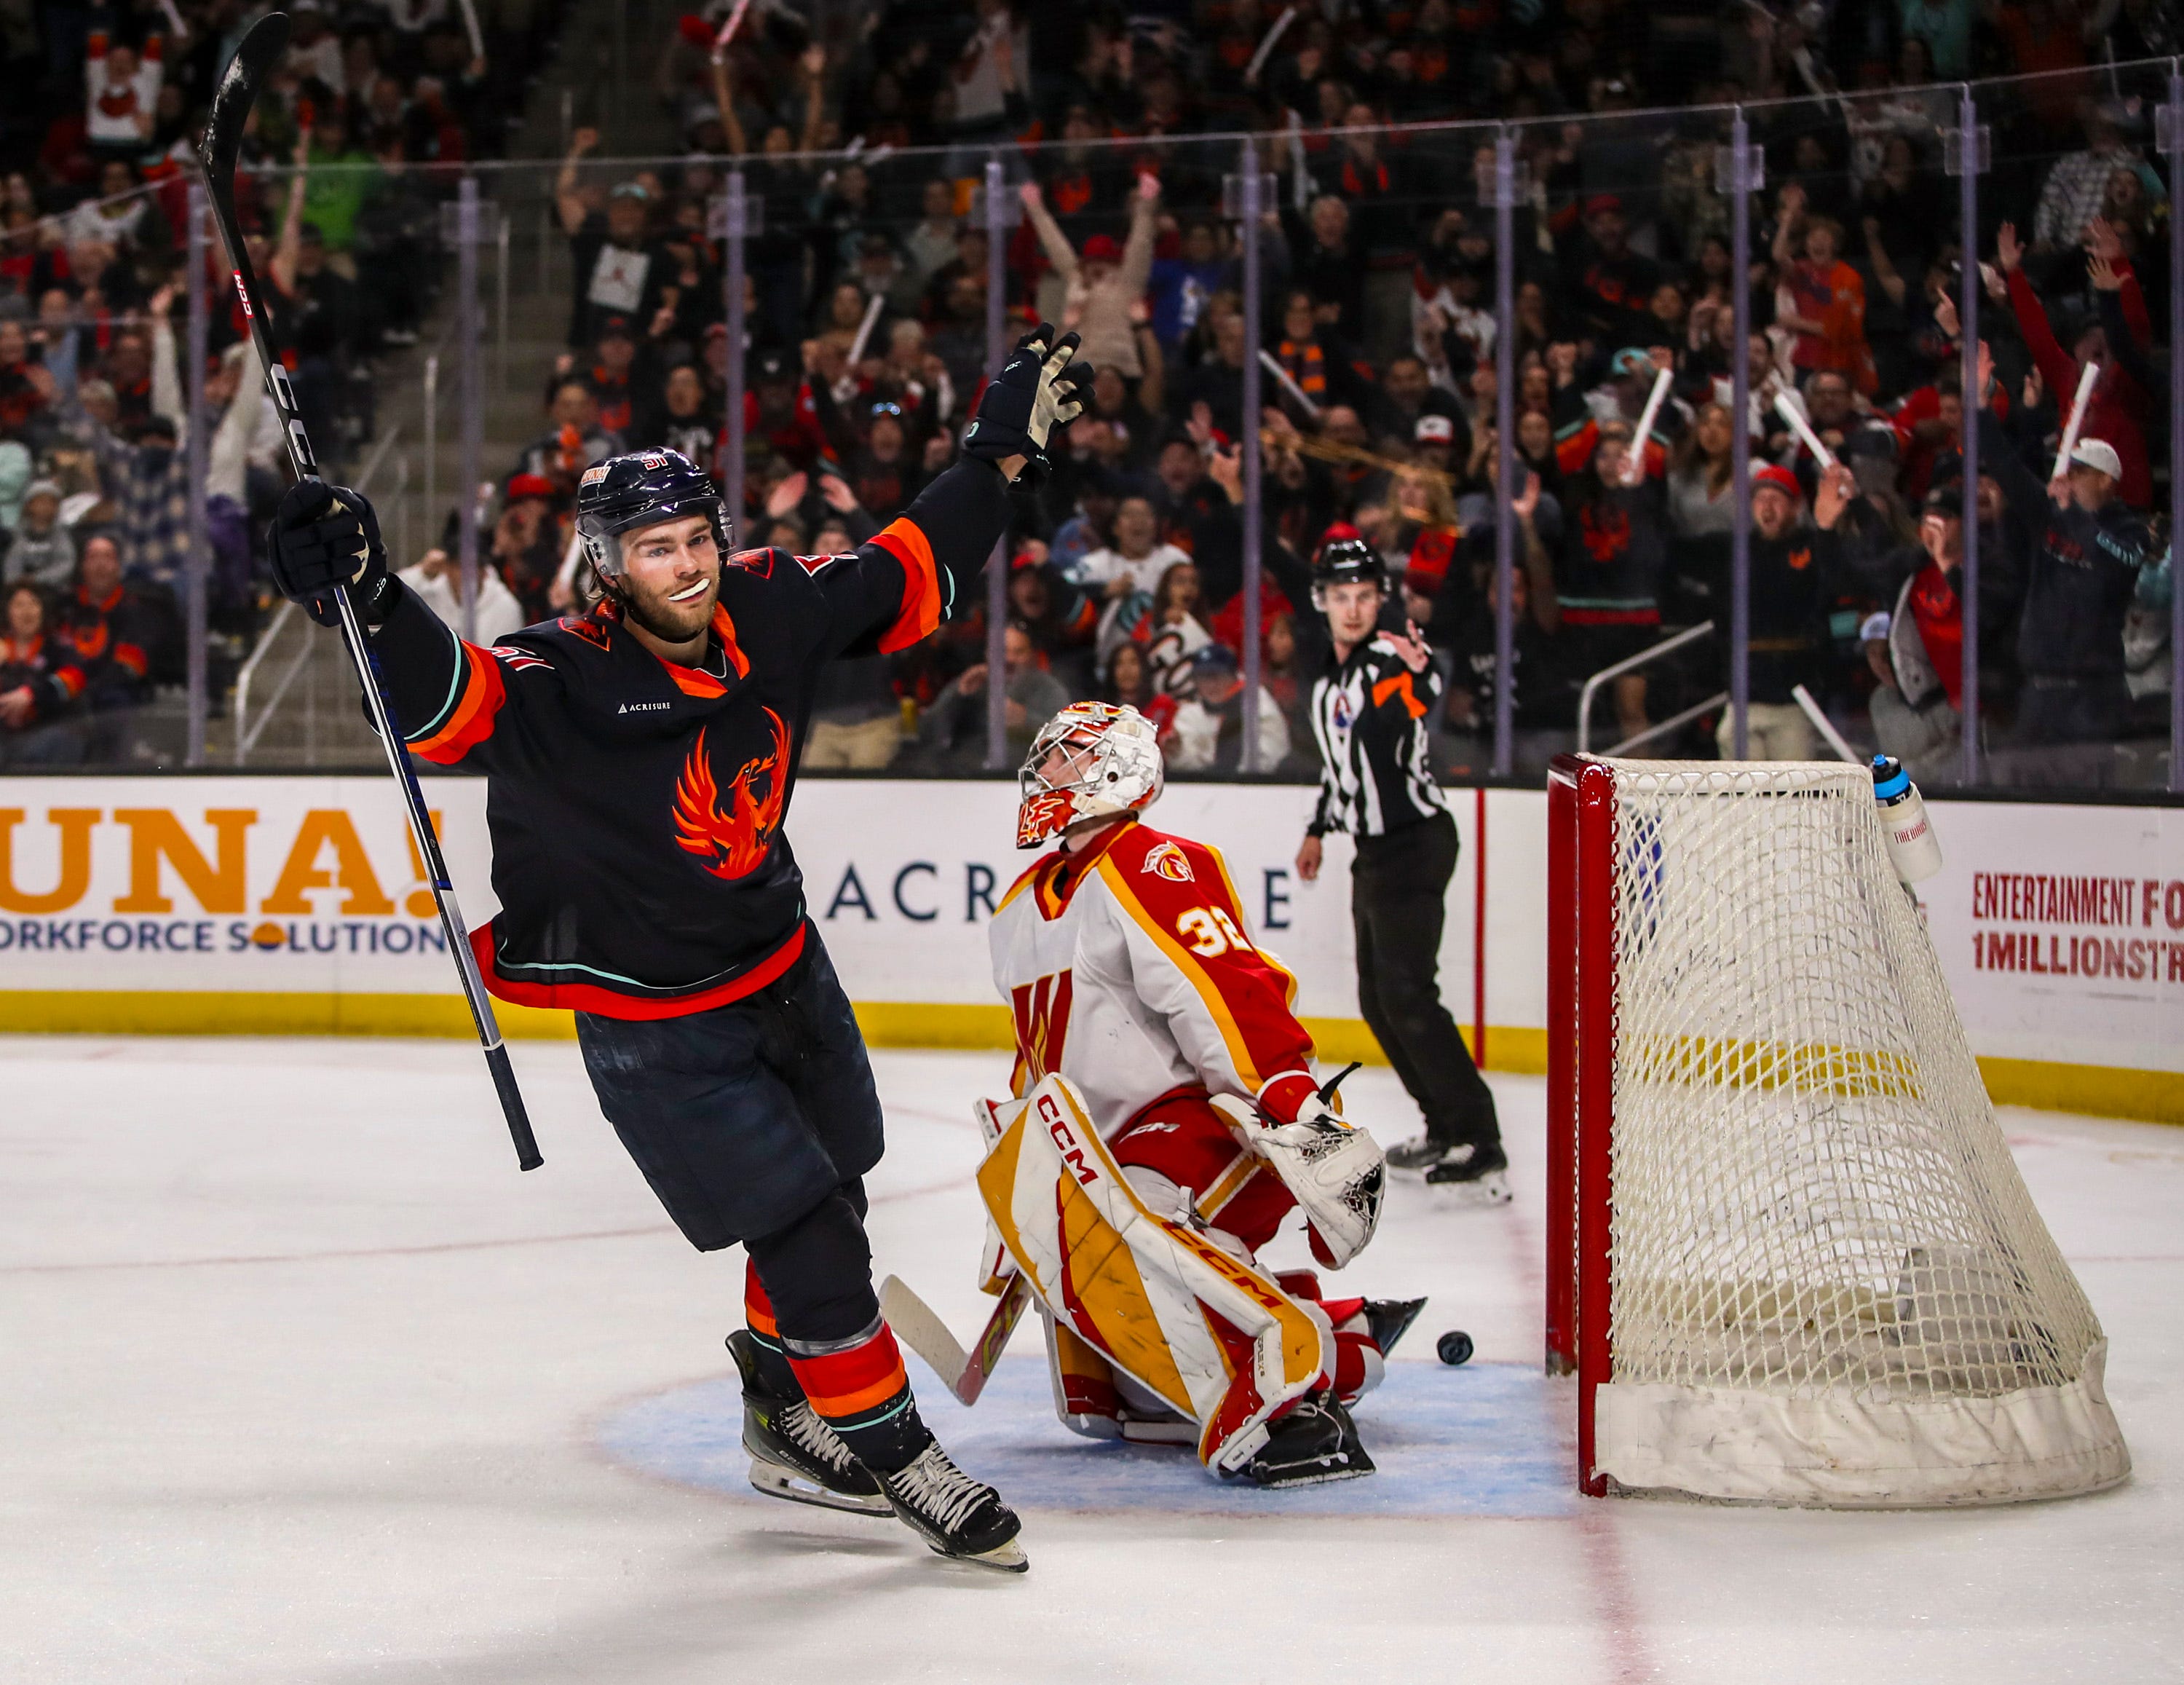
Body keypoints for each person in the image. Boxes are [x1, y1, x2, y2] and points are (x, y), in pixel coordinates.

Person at [266, 325, 1096, 1574]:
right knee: (809, 1233)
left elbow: (902, 570)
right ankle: (900, 1453)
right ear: (608, 567)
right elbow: (447, 703)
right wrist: (372, 597)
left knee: (840, 1179)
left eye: (697, 536)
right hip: (656, 1021)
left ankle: (784, 1407)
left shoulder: (768, 601)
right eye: (656, 547)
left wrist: (991, 459)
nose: (690, 564)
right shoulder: (558, 676)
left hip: (781, 959)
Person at [984, 701, 1420, 1485]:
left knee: (1136, 1215)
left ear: (1115, 771)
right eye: (1046, 757)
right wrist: (1024, 1197)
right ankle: (1332, 1329)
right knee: (1134, 1353)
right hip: (1106, 1156)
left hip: (1208, 1127)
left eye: (1066, 756)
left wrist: (1289, 1096)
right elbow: (1036, 1063)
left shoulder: (1150, 861)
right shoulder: (1018, 909)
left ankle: (1295, 1385)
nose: (1043, 771)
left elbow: (1220, 988)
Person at [1292, 538, 1506, 1199]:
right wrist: (1318, 828)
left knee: (1410, 996)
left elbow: (1412, 695)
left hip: (1416, 841)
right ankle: (1444, 1126)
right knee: (1378, 1001)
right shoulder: (1327, 685)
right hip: (1374, 850)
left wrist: (1423, 674)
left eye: (1364, 596)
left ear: (1378, 599)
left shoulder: (1388, 660)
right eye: (1341, 597)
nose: (1353, 609)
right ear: (1322, 602)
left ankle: (1482, 1142)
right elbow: (1340, 769)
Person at [1974, 343, 2151, 757]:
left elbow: (2113, 566)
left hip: (2095, 698)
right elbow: (2005, 466)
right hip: (2038, 695)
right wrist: (1980, 406)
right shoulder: (2049, 515)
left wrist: (2071, 514)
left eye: (2079, 472)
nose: (2067, 479)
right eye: (2066, 470)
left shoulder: (2131, 532)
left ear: (2107, 481)